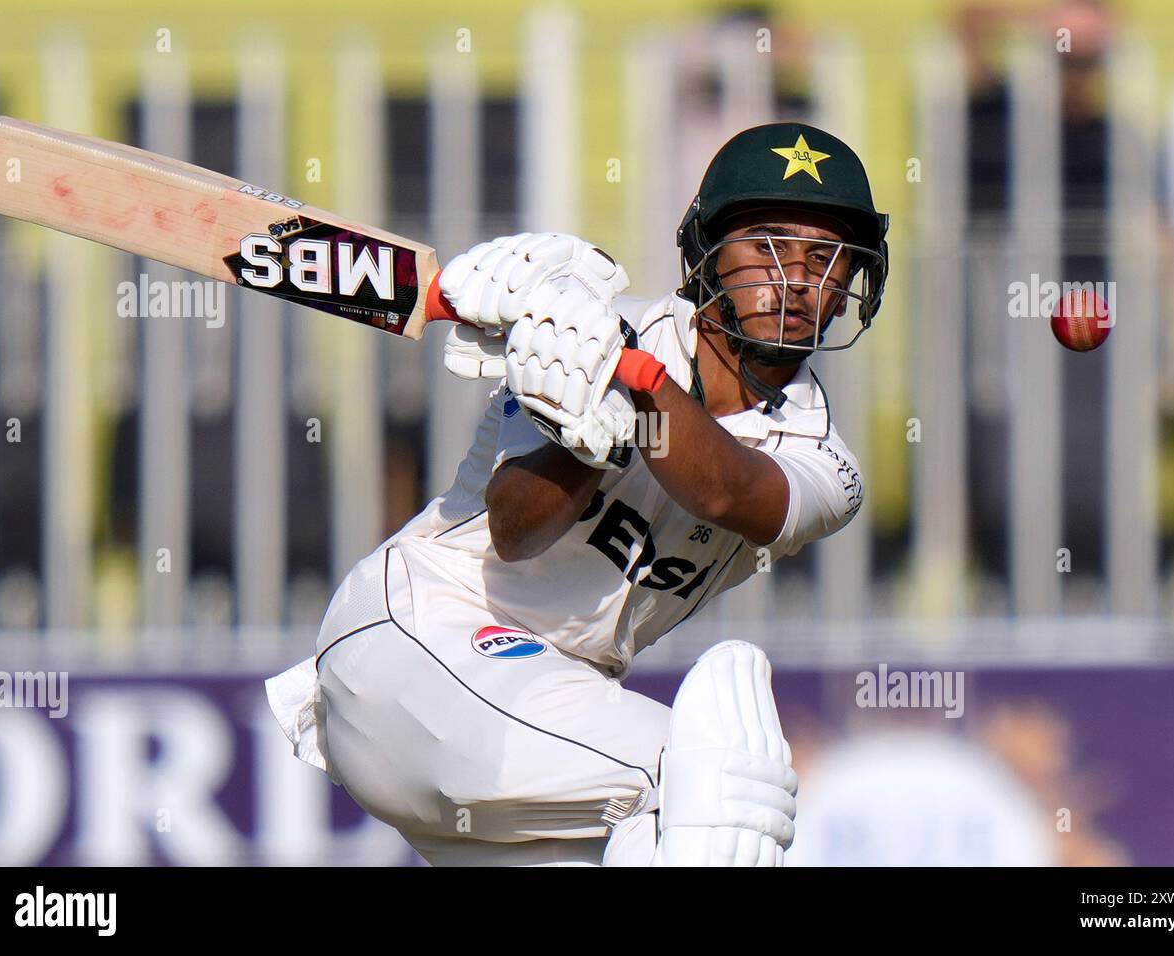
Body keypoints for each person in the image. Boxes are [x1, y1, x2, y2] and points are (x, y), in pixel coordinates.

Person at [266, 122, 888, 866]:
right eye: (767, 246)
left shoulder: (826, 462)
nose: (796, 278)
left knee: (708, 833)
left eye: (825, 257)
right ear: (706, 254)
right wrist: (586, 415)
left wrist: (628, 379)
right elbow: (516, 528)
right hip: (420, 638)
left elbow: (729, 492)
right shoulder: (587, 338)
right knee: (704, 772)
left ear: (855, 280)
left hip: (547, 719)